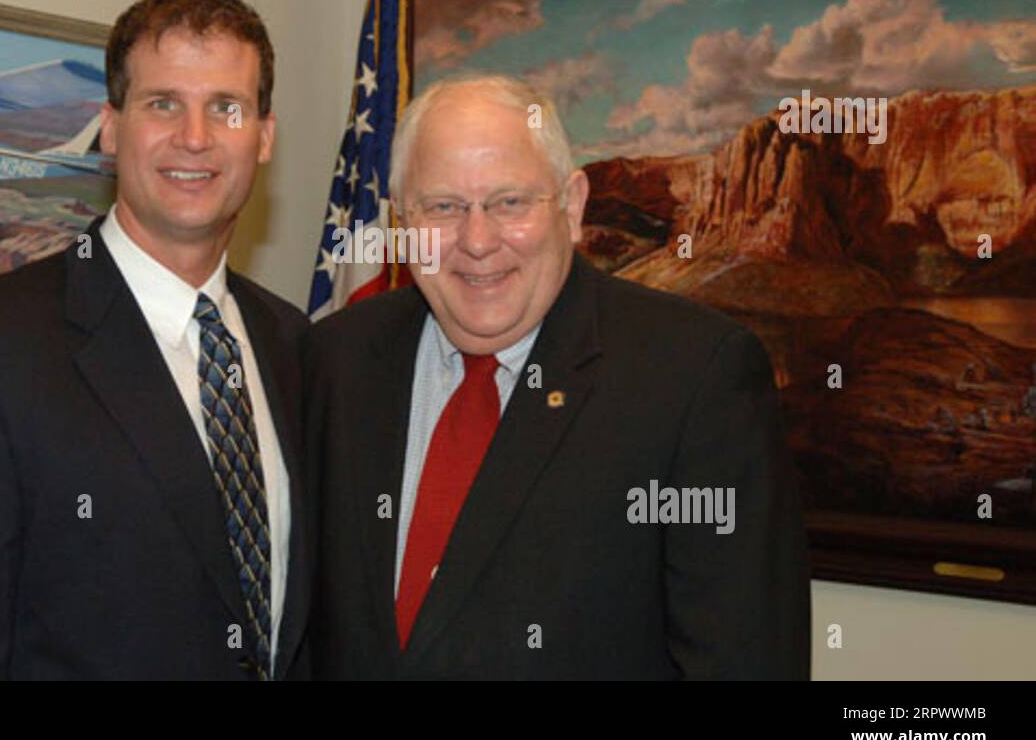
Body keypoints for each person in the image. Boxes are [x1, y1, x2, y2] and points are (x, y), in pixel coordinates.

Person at [0, 0, 310, 680]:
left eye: (226, 107)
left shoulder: (295, 345)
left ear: (264, 137)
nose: (195, 137)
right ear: (111, 127)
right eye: (162, 103)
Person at [307, 75, 810, 679]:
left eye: (510, 202)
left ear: (571, 208)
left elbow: (744, 664)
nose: (477, 241)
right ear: (402, 224)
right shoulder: (336, 360)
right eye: (442, 207)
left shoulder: (696, 380)